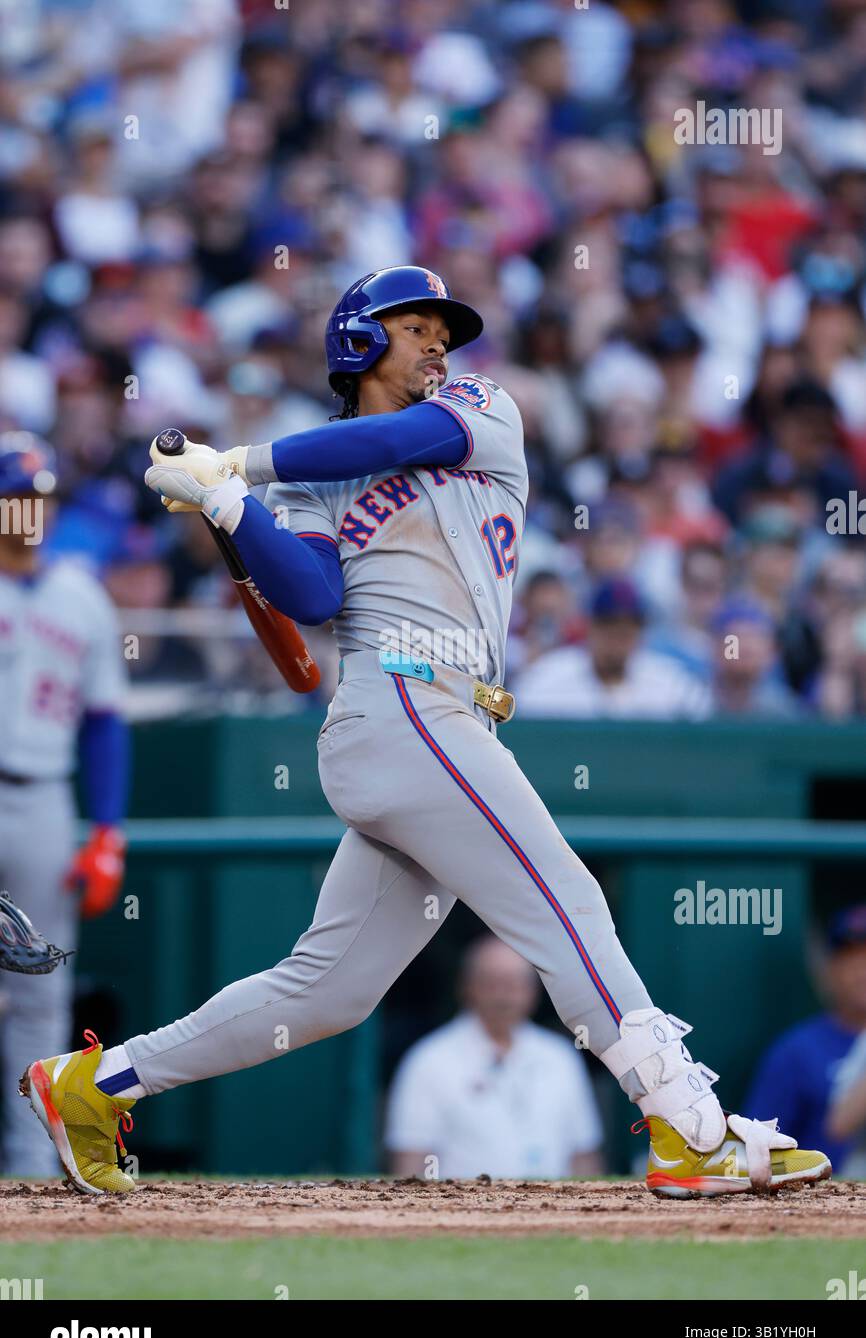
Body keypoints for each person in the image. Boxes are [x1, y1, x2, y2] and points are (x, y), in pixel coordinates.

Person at [19, 266, 829, 1198]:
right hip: (399, 703)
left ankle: (93, 1082)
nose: (441, 342)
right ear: (360, 340)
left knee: (324, 992)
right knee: (568, 903)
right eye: (416, 326)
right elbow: (313, 596)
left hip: (441, 714)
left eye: (445, 328)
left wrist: (237, 466)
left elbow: (407, 436)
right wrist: (230, 507)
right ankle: (689, 1128)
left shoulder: (476, 408)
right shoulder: (310, 476)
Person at [0, 434, 128, 1176]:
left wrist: (108, 827)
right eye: (16, 494)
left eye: (38, 495)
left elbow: (105, 719)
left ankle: (31, 1167)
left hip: (46, 794)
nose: (29, 510)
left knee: (40, 989)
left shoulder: (81, 592)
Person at [386, 937, 604, 1179]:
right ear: (467, 986)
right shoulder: (429, 1060)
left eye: (514, 984)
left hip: (554, 1212)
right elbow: (411, 1162)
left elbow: (583, 1155)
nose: (504, 996)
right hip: (463, 1213)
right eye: (492, 983)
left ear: (533, 990)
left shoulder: (561, 1057)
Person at [744, 905, 866, 1174]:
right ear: (831, 969)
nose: (862, 970)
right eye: (852, 957)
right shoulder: (797, 1051)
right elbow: (756, 1149)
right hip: (827, 1197)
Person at [514, 576, 711, 719]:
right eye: (610, 627)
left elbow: (706, 719)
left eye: (627, 631)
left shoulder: (669, 683)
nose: (618, 639)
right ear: (591, 628)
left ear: (639, 633)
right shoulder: (548, 677)